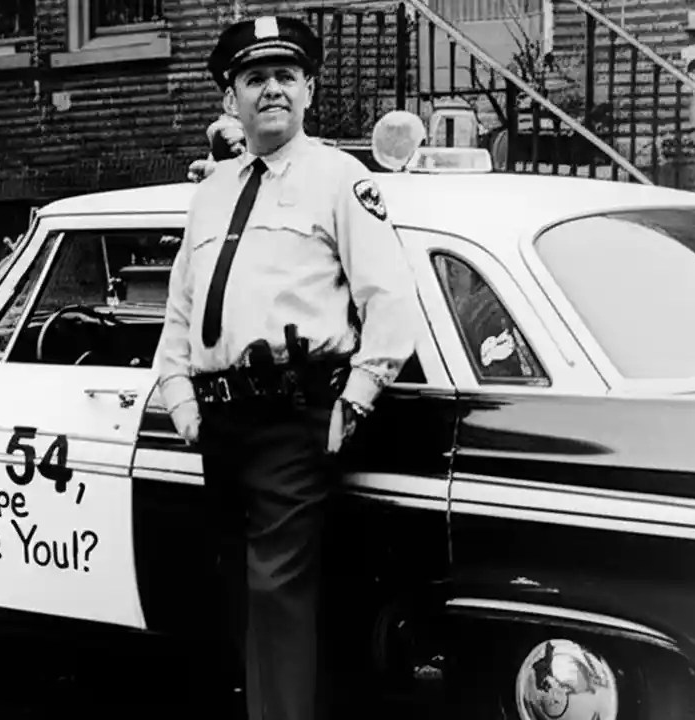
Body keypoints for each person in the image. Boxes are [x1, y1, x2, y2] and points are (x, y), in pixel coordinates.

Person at [153, 15, 421, 720]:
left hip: (296, 417)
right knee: (234, 595)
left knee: (278, 594)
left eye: (284, 76)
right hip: (220, 421)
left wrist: (356, 396)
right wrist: (181, 398)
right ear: (230, 96)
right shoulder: (212, 192)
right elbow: (182, 307)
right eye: (253, 78)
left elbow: (390, 300)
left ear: (308, 89)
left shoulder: (341, 179)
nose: (270, 89)